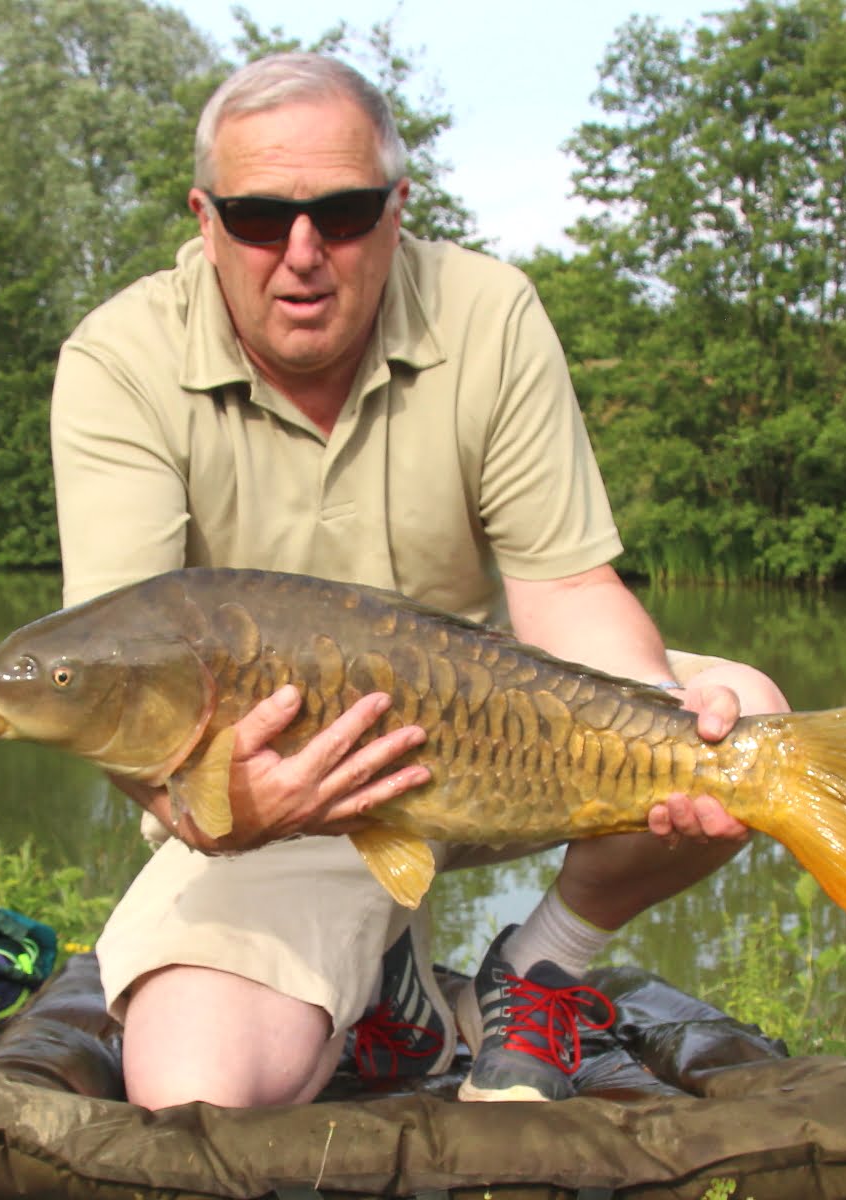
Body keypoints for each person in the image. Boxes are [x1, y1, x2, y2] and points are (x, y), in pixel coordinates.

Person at [49, 51, 788, 1110]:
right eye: (259, 219)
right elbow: (114, 681)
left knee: (743, 729)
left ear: (398, 209)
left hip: (499, 731)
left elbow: (567, 589)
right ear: (205, 220)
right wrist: (216, 808)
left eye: (342, 213)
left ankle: (539, 971)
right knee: (190, 1092)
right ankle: (388, 984)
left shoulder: (487, 311)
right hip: (283, 789)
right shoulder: (119, 359)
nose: (301, 255)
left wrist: (663, 721)